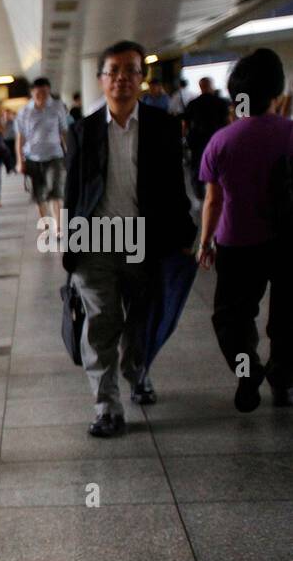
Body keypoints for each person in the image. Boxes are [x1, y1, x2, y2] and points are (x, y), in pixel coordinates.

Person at [64, 39, 196, 438]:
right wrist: (70, 248)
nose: (122, 77)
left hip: (145, 239)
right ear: (101, 80)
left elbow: (176, 189)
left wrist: (186, 237)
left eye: (131, 70)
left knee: (141, 319)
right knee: (102, 322)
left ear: (142, 78)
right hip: (96, 238)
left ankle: (137, 371)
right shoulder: (83, 131)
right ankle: (107, 406)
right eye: (113, 71)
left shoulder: (163, 128)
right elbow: (74, 193)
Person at [197, 48, 293, 410]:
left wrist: (205, 242)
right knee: (287, 318)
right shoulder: (290, 134)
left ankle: (247, 371)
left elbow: (212, 201)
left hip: (237, 243)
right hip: (287, 242)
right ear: (276, 93)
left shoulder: (222, 141)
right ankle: (282, 383)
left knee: (232, 318)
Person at [15, 76, 69, 229]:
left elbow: (64, 131)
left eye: (45, 93)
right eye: (38, 94)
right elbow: (20, 137)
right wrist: (20, 161)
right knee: (39, 194)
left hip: (55, 155)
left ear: (49, 91)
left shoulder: (58, 107)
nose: (42, 97)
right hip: (33, 157)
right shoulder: (24, 112)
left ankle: (58, 227)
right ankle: (45, 221)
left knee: (56, 192)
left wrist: (69, 153)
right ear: (32, 93)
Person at [183, 76, 231, 199]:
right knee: (220, 166)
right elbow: (228, 122)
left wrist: (185, 137)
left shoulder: (193, 104)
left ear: (200, 87)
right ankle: (222, 191)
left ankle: (200, 194)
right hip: (218, 139)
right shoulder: (222, 102)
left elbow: (185, 123)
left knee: (197, 167)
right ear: (211, 86)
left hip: (198, 141)